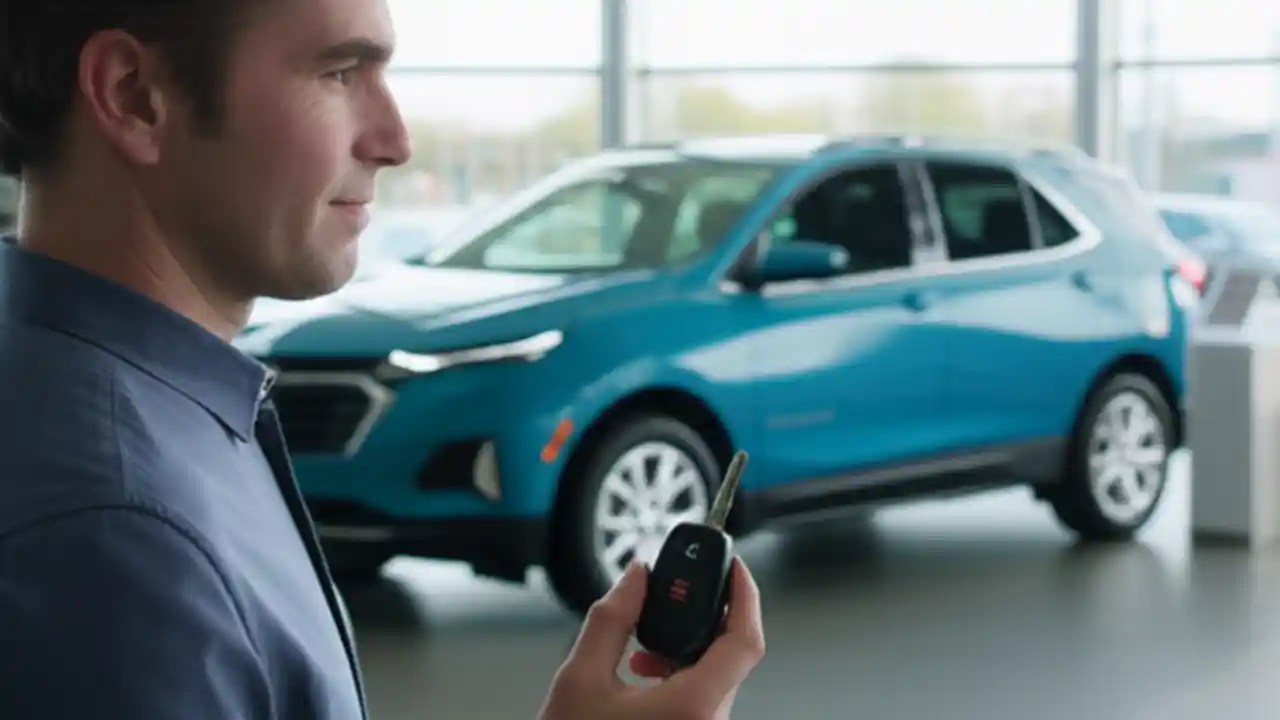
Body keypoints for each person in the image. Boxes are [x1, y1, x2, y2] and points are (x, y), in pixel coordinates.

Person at [0, 0, 766, 718]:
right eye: (338, 73)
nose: (395, 141)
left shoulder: (130, 409)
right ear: (135, 96)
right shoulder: (120, 545)